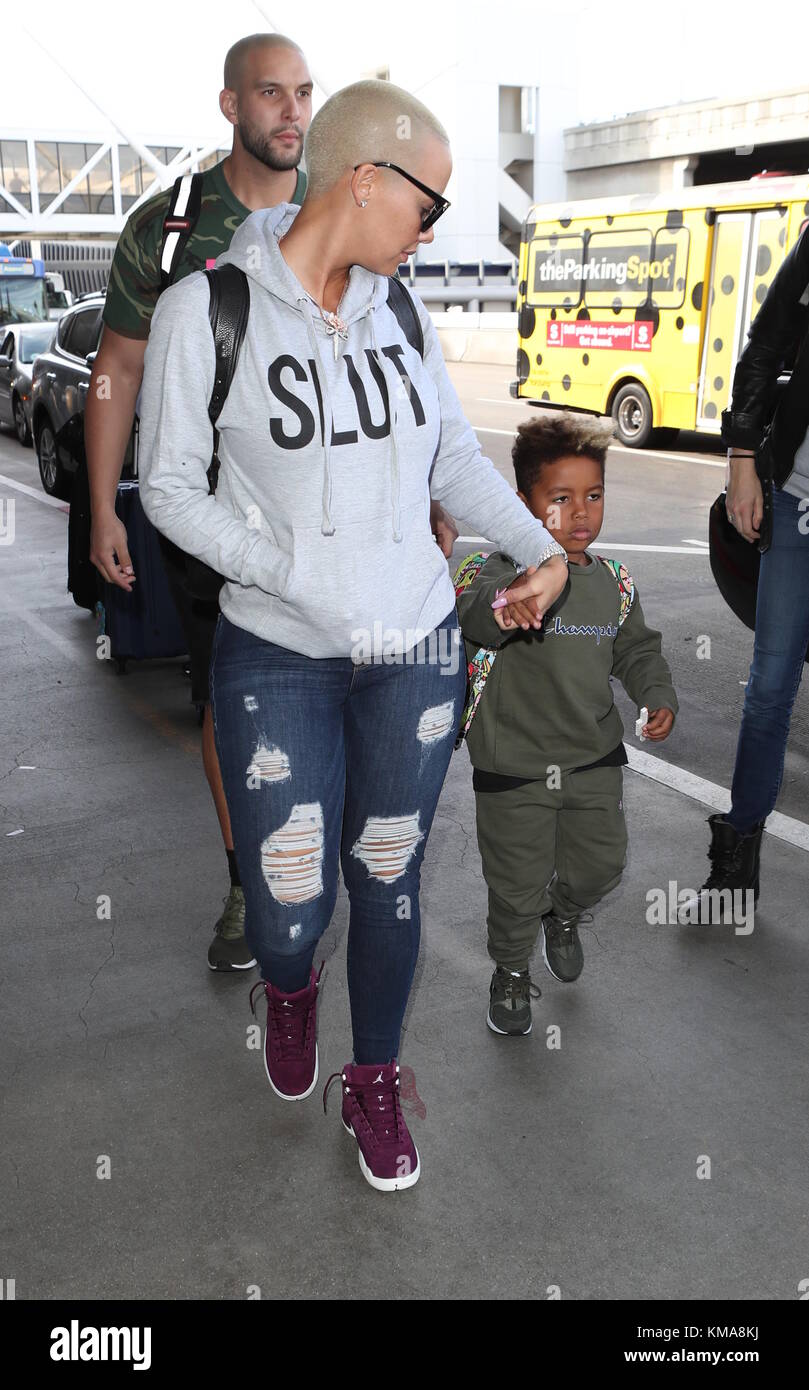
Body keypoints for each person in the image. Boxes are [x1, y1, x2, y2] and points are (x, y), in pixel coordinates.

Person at [136, 79, 569, 1191]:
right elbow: (171, 489)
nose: (429, 234)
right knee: (289, 906)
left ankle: (371, 1078)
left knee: (388, 877)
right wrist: (293, 571)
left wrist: (535, 546)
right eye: (428, 209)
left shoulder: (404, 313)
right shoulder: (208, 309)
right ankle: (286, 986)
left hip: (413, 652)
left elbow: (452, 460)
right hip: (275, 652)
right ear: (367, 180)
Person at [86, 33, 458, 972]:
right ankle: (253, 874)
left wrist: (420, 500)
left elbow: (404, 413)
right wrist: (101, 506)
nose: (290, 111)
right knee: (236, 689)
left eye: (303, 93)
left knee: (368, 801)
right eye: (269, 94)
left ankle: (306, 883)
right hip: (227, 530)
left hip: (364, 574)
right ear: (230, 107)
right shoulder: (172, 229)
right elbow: (119, 369)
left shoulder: (346, 216)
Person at [455, 413, 678, 1035]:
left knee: (603, 863)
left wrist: (654, 695)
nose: (580, 513)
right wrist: (512, 602)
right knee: (515, 883)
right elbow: (474, 614)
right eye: (560, 499)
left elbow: (637, 651)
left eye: (594, 496)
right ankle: (511, 973)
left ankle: (564, 912)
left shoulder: (613, 583)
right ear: (522, 503)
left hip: (593, 758)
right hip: (511, 766)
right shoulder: (495, 574)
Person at [682, 223, 809, 921]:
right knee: (767, 688)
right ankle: (733, 869)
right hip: (797, 499)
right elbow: (765, 345)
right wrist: (740, 459)